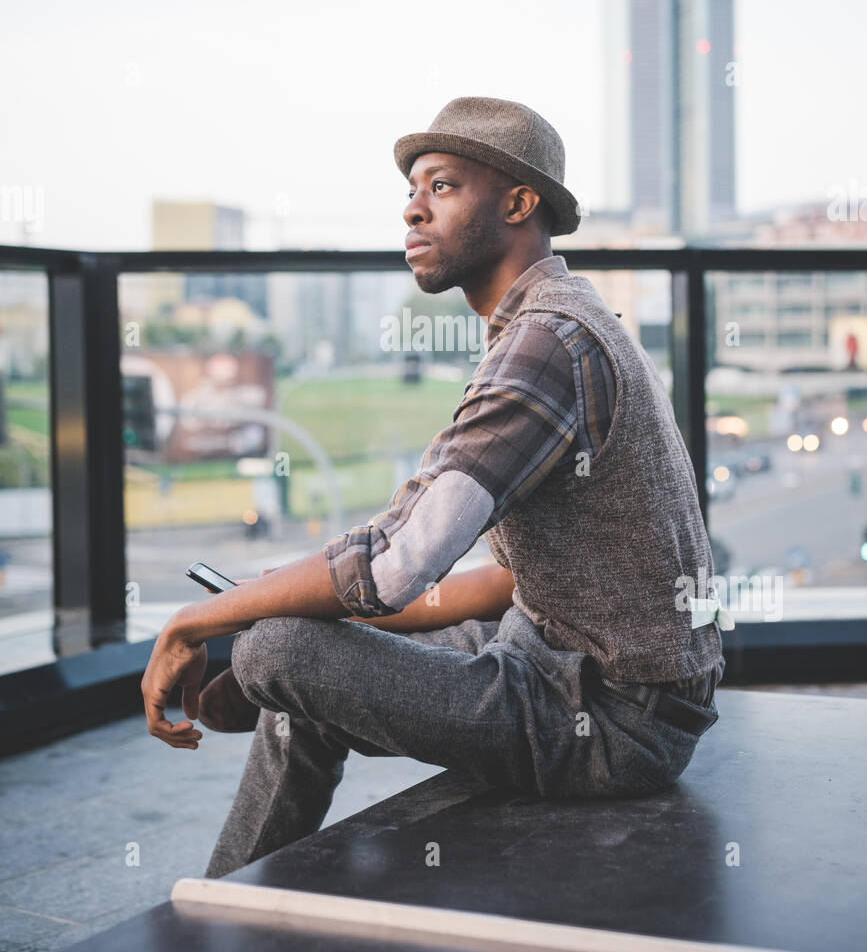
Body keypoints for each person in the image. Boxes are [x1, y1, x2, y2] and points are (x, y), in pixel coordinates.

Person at [141, 95, 728, 880]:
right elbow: (513, 578)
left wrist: (198, 621)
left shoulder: (545, 344)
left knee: (279, 643)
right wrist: (312, 624)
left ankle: (231, 857)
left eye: (443, 187)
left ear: (520, 203)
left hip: (611, 720)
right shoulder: (559, 320)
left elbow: (392, 565)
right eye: (411, 192)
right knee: (295, 649)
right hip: (553, 659)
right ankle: (229, 898)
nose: (413, 211)